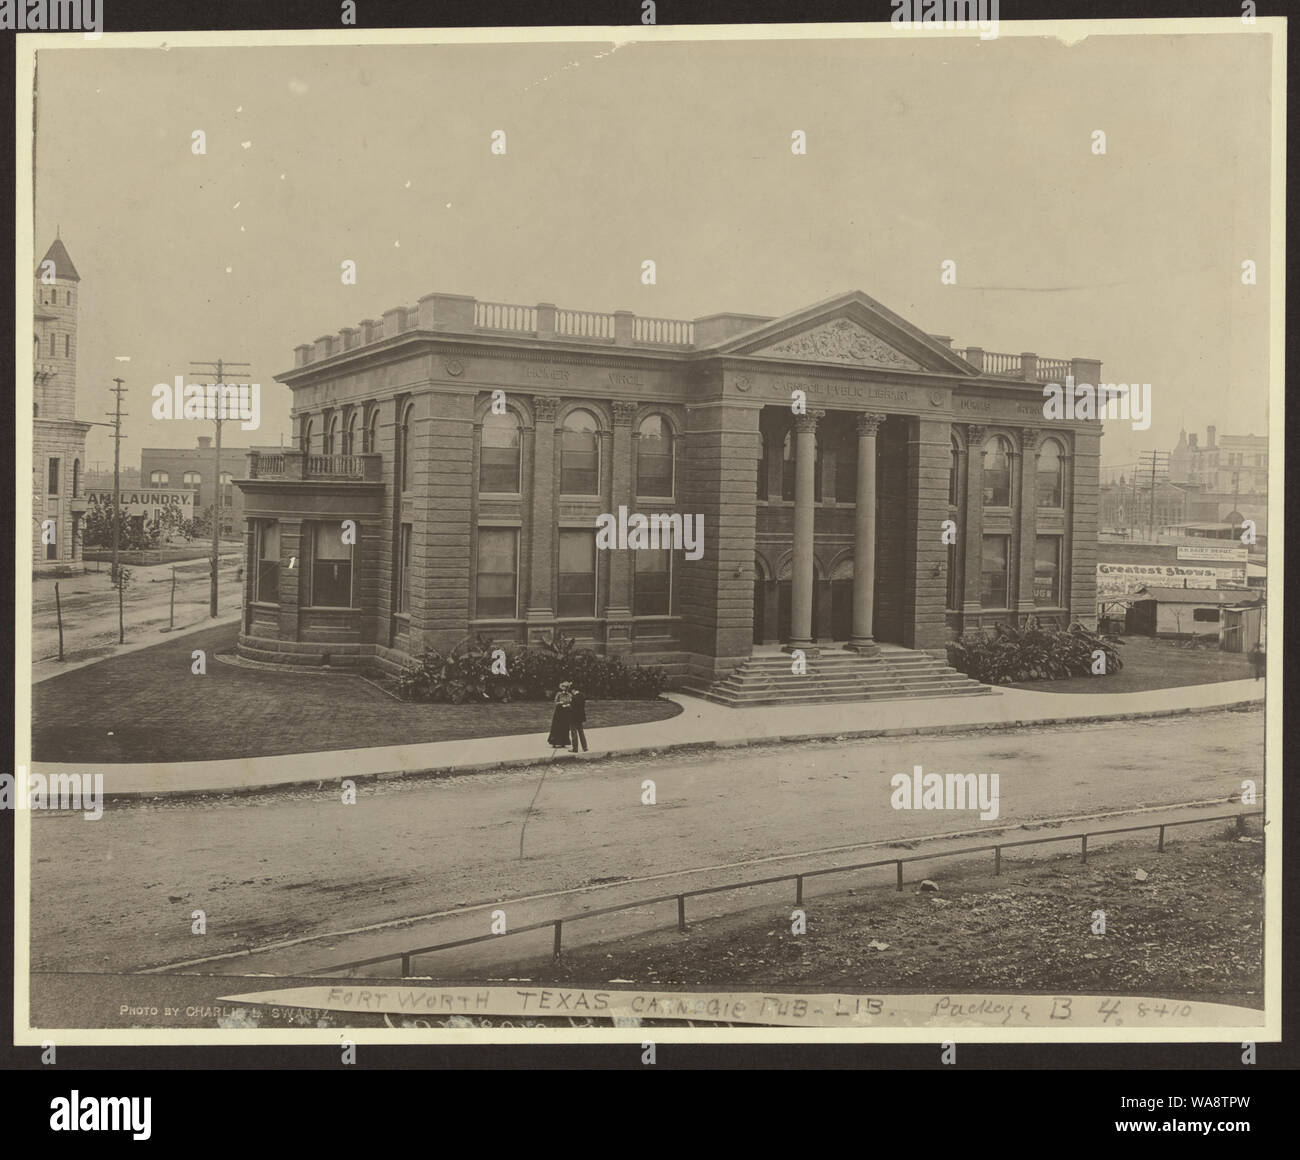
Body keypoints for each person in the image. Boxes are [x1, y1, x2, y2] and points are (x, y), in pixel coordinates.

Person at [546, 682, 574, 751]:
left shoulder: (569, 695)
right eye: (564, 687)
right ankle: (554, 742)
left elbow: (571, 703)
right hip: (559, 712)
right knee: (556, 726)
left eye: (566, 687)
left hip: (566, 712)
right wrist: (560, 703)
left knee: (565, 726)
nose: (565, 688)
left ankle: (564, 742)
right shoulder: (559, 694)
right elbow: (555, 702)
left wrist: (568, 705)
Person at [568, 684, 589, 753]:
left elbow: (572, 707)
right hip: (580, 716)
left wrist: (568, 705)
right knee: (581, 732)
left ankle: (575, 748)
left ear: (573, 690)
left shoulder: (573, 697)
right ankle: (585, 747)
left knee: (573, 732)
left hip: (574, 717)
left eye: (571, 691)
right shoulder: (582, 696)